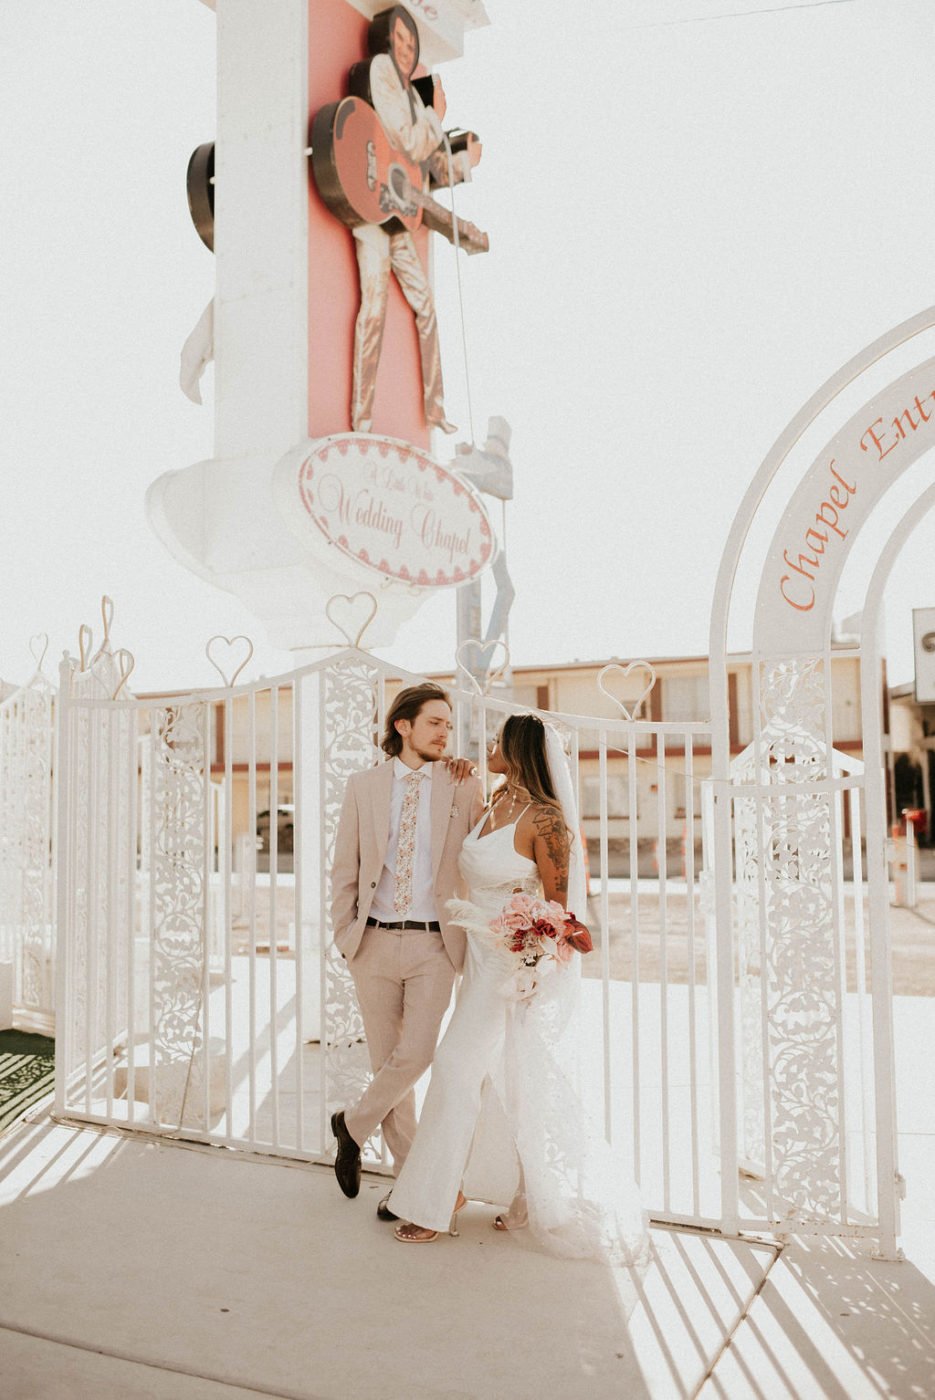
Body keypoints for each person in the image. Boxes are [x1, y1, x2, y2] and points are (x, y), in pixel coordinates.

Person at [387, 713, 649, 1265]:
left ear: (520, 747)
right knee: (504, 1079)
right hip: (476, 955)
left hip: (510, 965)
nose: (487, 746)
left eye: (496, 740)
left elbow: (559, 906)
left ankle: (436, 1200)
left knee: (458, 1067)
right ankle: (520, 1195)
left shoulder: (547, 820)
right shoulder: (490, 803)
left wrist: (535, 960)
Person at [329, 683, 484, 1219]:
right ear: (404, 727)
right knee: (386, 1065)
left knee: (414, 1057)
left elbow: (481, 856)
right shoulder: (364, 785)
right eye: (435, 722)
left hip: (433, 945)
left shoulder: (463, 785)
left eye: (448, 724)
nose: (445, 732)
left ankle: (350, 1124)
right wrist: (346, 935)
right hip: (371, 941)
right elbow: (344, 867)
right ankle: (408, 1189)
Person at [351, 5, 482, 435]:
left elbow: (422, 161)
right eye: (402, 40)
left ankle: (435, 408)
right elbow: (407, 139)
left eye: (413, 43)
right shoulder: (383, 73)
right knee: (374, 305)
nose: (407, 50)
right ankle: (362, 418)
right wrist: (435, 116)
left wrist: (460, 162)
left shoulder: (409, 93)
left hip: (400, 209)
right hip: (373, 204)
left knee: (426, 305)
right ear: (388, 39)